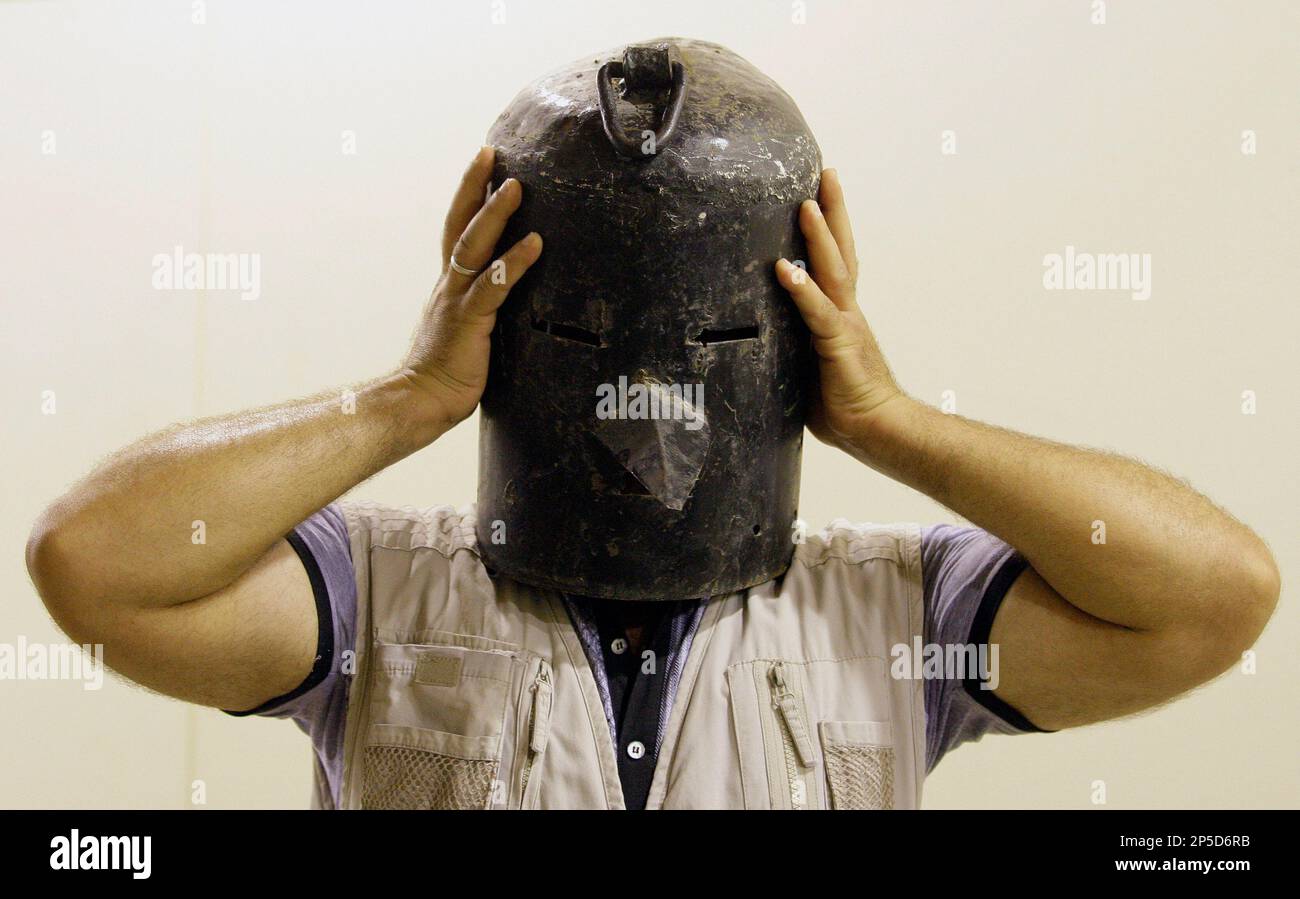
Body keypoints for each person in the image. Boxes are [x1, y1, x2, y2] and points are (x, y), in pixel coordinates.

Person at [26, 147, 1279, 810]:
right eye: (581, 339)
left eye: (720, 344)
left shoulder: (891, 616)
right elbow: (93, 562)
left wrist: (894, 424)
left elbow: (1215, 596)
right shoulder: (375, 596)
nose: (646, 403)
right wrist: (406, 398)